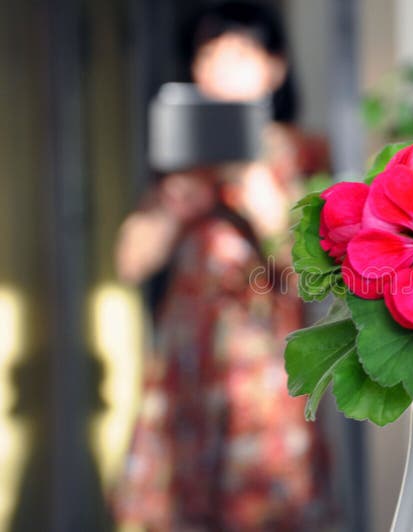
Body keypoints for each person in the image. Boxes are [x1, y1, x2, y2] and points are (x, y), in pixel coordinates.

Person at [112, 4, 333, 531]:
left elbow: (313, 277)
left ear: (275, 68)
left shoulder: (303, 153)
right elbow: (128, 262)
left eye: (238, 52)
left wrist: (256, 185)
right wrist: (171, 207)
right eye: (207, 55)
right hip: (186, 368)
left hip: (263, 376)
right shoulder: (182, 154)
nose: (218, 69)